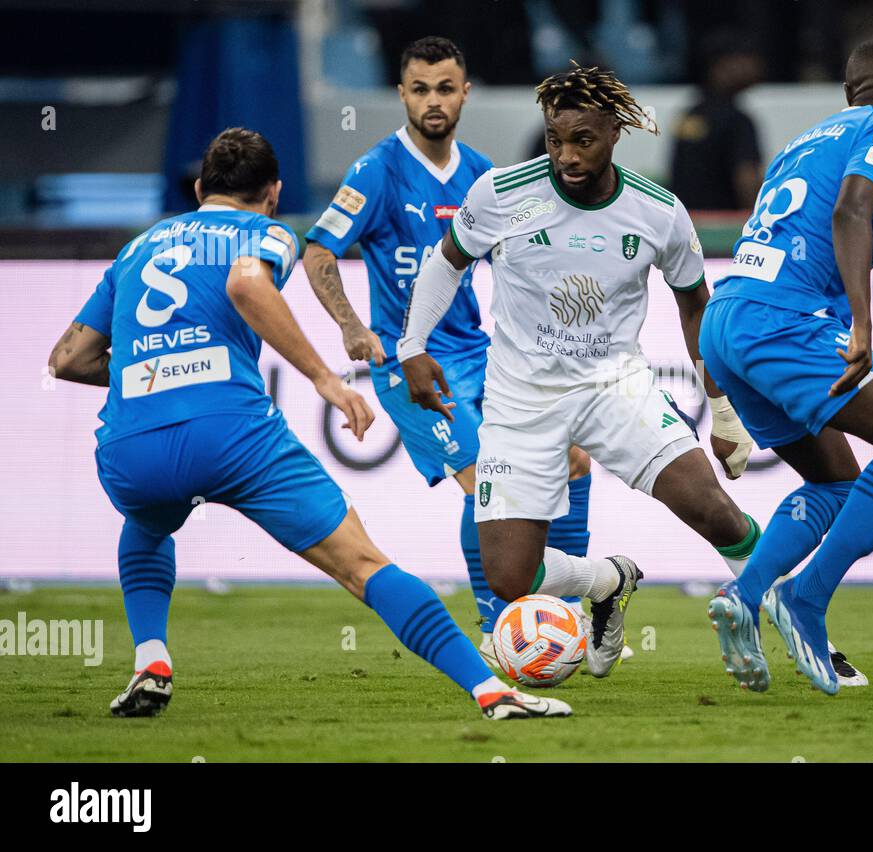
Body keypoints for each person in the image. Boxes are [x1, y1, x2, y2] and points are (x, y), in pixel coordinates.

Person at [48, 127, 568, 721]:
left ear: (198, 188)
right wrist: (324, 379)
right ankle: (492, 691)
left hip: (130, 448)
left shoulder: (136, 247)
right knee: (364, 566)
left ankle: (152, 658)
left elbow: (68, 360)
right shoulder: (264, 231)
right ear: (273, 192)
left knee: (145, 524)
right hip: (231, 435)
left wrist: (152, 371)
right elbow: (247, 284)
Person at [397, 63, 765, 680]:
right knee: (513, 578)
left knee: (715, 511)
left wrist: (724, 411)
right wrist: (411, 346)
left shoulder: (659, 211)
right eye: (554, 139)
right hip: (520, 398)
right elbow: (446, 262)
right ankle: (607, 581)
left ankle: (801, 627)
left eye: (583, 140)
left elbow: (696, 305)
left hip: (614, 386)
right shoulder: (500, 192)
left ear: (616, 132)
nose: (565, 154)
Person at [302, 37, 596, 665]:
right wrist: (354, 327)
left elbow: (531, 264)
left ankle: (566, 618)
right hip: (409, 365)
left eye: (444, 88)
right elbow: (319, 250)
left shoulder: (484, 175)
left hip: (484, 353)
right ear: (401, 94)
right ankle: (500, 626)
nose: (432, 101)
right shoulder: (377, 171)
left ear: (465, 92)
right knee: (490, 482)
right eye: (419, 88)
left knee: (572, 461)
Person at [700, 40, 873, 696]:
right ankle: (804, 601)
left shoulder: (804, 140)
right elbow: (850, 210)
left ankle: (746, 591)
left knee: (836, 481)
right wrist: (862, 326)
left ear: (847, 91)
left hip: (727, 317)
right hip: (786, 320)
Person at [669, 29, 764, 211]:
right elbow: (747, 182)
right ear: (720, 67)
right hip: (725, 230)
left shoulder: (688, 115)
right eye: (744, 58)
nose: (754, 65)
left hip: (686, 226)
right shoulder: (737, 121)